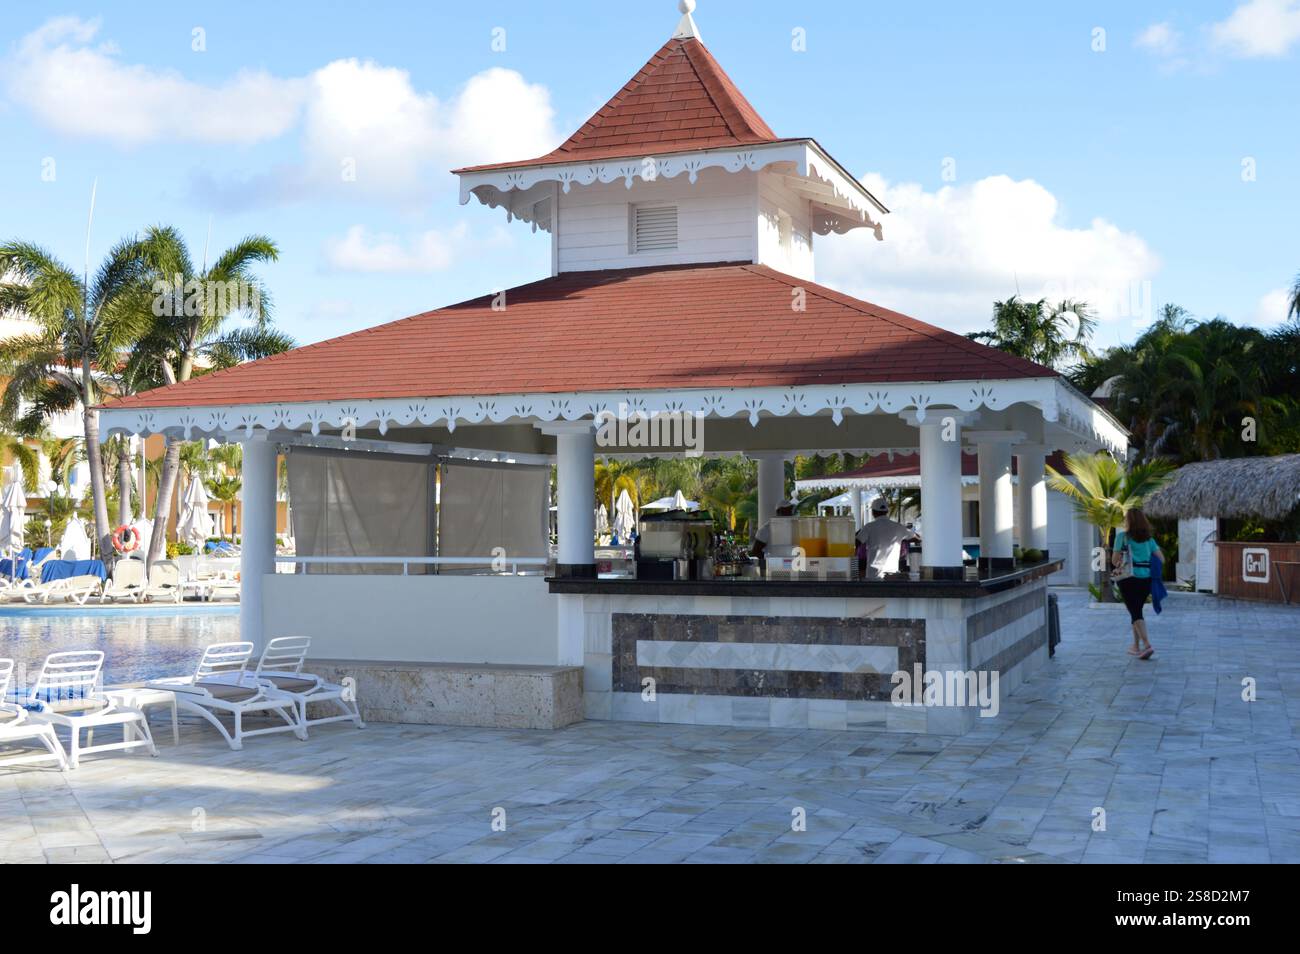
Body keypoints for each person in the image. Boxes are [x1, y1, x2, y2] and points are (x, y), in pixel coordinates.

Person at [1112, 508, 1162, 660]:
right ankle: (1136, 646)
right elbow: (1161, 559)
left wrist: (1121, 559)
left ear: (1129, 521)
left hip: (1128, 579)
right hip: (1146, 580)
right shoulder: (1150, 540)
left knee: (1135, 612)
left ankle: (1147, 645)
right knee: (1136, 611)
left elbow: (1115, 561)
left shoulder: (1122, 537)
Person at [857, 498, 920, 580]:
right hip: (892, 575)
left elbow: (856, 543)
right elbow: (917, 538)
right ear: (887, 511)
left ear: (873, 512)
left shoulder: (869, 527)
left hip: (873, 575)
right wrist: (902, 539)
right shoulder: (899, 527)